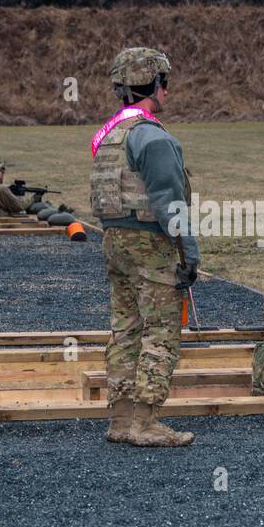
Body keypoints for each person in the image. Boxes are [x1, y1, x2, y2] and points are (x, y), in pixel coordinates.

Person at [90, 47, 199, 447]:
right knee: (162, 331)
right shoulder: (152, 137)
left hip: (114, 242)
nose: (167, 91)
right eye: (165, 84)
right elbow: (170, 203)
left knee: (125, 329)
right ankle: (147, 421)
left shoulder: (109, 136)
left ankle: (121, 419)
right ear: (154, 85)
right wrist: (190, 256)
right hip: (149, 244)